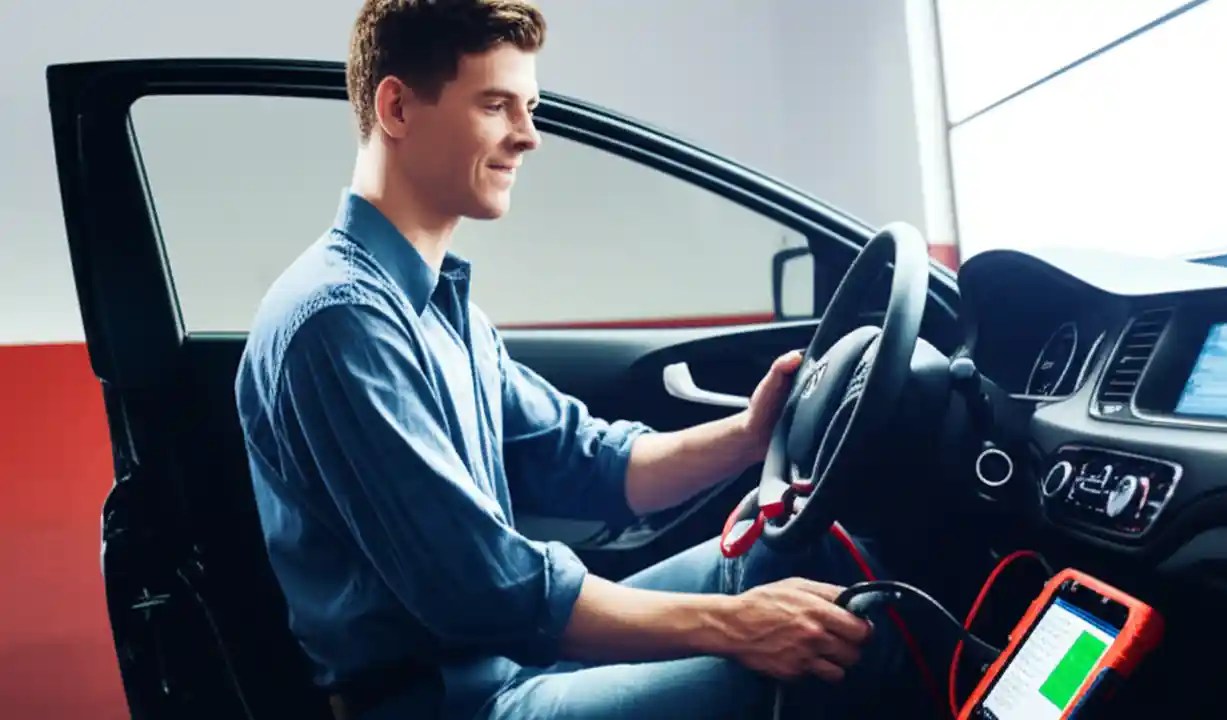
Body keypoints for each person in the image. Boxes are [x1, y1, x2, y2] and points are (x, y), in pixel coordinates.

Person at [234, 1, 911, 718]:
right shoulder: (341, 320)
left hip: (513, 656)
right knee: (815, 665)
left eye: (528, 106)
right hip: (448, 702)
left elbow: (590, 463)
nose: (528, 137)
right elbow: (483, 589)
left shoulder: (439, 306)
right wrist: (737, 626)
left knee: (797, 560)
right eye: (496, 105)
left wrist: (749, 436)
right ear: (397, 107)